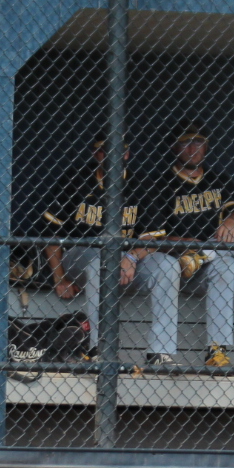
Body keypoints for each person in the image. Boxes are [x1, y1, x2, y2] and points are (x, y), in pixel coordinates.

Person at [134, 123, 234, 367]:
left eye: (199, 142)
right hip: (179, 267)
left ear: (207, 146)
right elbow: (152, 239)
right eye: (186, 142)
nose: (193, 148)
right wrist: (185, 244)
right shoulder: (159, 184)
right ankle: (208, 252)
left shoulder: (218, 180)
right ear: (174, 147)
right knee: (229, 266)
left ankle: (216, 351)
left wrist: (233, 220)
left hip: (209, 264)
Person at [41, 133, 140, 358]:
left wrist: (133, 257)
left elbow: (153, 237)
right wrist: (59, 278)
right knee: (100, 263)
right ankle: (98, 348)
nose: (113, 156)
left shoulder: (139, 183)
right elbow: (50, 233)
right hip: (80, 256)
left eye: (119, 151)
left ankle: (160, 354)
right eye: (106, 151)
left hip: (125, 262)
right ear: (96, 154)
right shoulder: (76, 180)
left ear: (127, 153)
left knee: (164, 266)